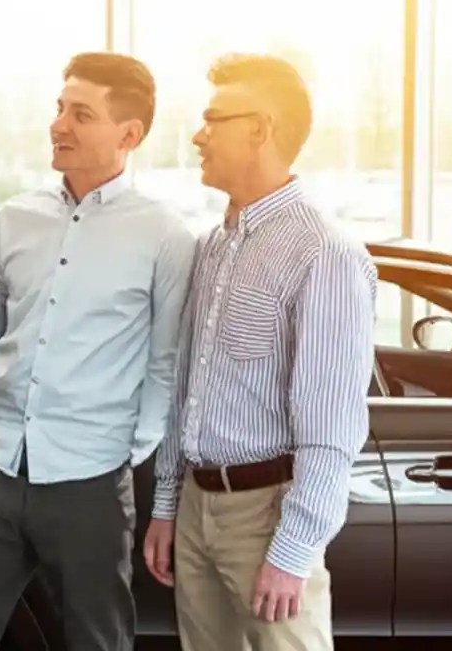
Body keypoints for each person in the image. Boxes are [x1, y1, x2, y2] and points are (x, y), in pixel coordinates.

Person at [0, 51, 198, 651]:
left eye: (82, 114)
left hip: (89, 484)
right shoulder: (16, 218)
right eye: (60, 107)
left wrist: (128, 451)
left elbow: (167, 362)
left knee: (98, 643)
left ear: (129, 135)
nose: (59, 124)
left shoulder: (165, 235)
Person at [141, 52, 376, 651]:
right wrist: (169, 507)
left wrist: (294, 550)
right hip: (197, 508)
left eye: (213, 119)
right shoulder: (213, 246)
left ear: (260, 130)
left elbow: (330, 428)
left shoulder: (324, 253)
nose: (198, 134)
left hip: (266, 519)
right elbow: (184, 390)